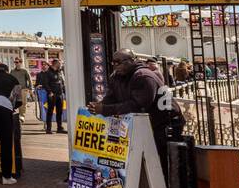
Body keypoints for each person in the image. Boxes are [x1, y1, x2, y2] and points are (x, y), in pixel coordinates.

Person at [89, 49, 180, 179]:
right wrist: (99, 106)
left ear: (132, 60)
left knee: (163, 163)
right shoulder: (117, 76)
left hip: (166, 124)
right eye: (113, 63)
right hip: (148, 123)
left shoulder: (143, 76)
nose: (115, 66)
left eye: (119, 62)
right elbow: (111, 98)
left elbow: (138, 105)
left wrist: (104, 110)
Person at [37, 58, 67, 134]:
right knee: (50, 112)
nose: (60, 64)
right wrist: (50, 92)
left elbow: (62, 83)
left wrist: (64, 91)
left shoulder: (59, 72)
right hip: (52, 95)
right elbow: (45, 84)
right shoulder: (48, 72)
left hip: (60, 94)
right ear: (55, 63)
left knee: (59, 112)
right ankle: (48, 129)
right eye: (59, 63)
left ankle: (59, 128)